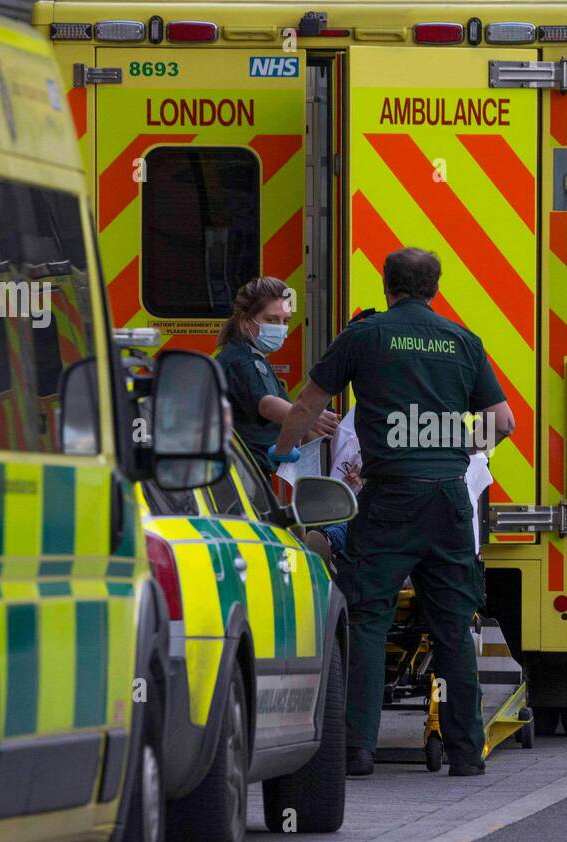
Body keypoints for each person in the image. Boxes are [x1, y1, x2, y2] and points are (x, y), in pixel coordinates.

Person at [272, 248, 515, 777]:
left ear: (388, 286)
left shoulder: (365, 336)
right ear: (434, 288)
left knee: (369, 620)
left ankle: (358, 748)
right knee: (453, 628)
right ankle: (467, 755)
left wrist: (284, 450)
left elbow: (310, 405)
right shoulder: (463, 341)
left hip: (388, 500)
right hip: (448, 499)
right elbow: (504, 421)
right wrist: (459, 445)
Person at [213, 276, 339, 474]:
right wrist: (307, 416)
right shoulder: (241, 361)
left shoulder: (254, 356)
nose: (279, 327)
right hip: (242, 472)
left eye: (285, 321)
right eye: (271, 320)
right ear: (246, 321)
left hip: (250, 471)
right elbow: (266, 404)